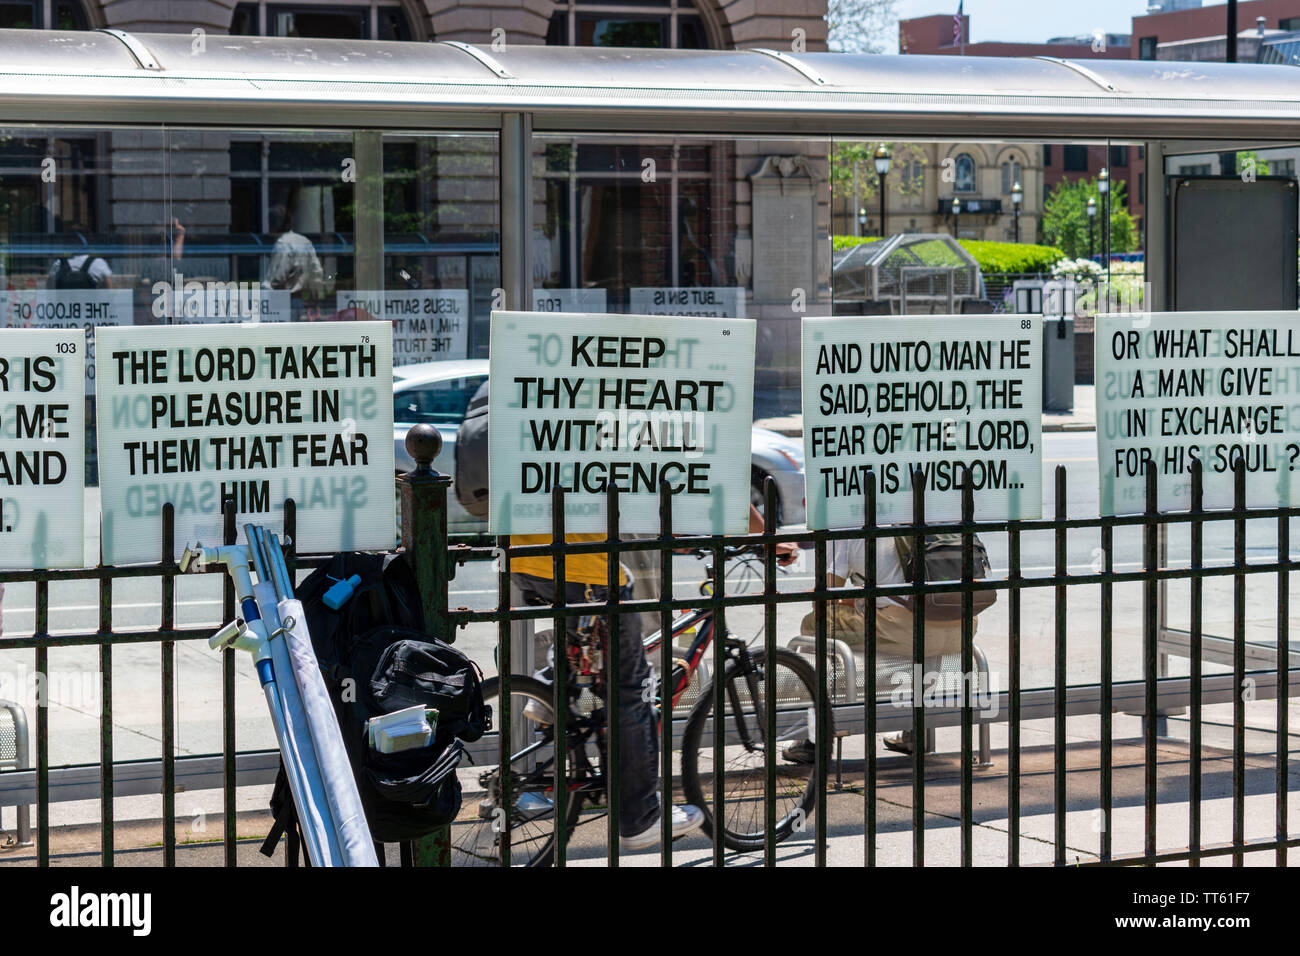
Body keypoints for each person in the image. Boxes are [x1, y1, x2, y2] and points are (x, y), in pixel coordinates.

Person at [511, 503, 796, 851]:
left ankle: (552, 686)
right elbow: (713, 473)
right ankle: (642, 818)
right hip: (585, 565)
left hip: (527, 554)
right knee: (632, 686)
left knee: (588, 648)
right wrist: (767, 537)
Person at [790, 533, 977, 757]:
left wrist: (854, 599)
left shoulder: (849, 530)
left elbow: (826, 596)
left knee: (814, 622)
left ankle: (813, 738)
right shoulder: (923, 516)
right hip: (962, 627)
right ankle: (915, 730)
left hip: (908, 630)